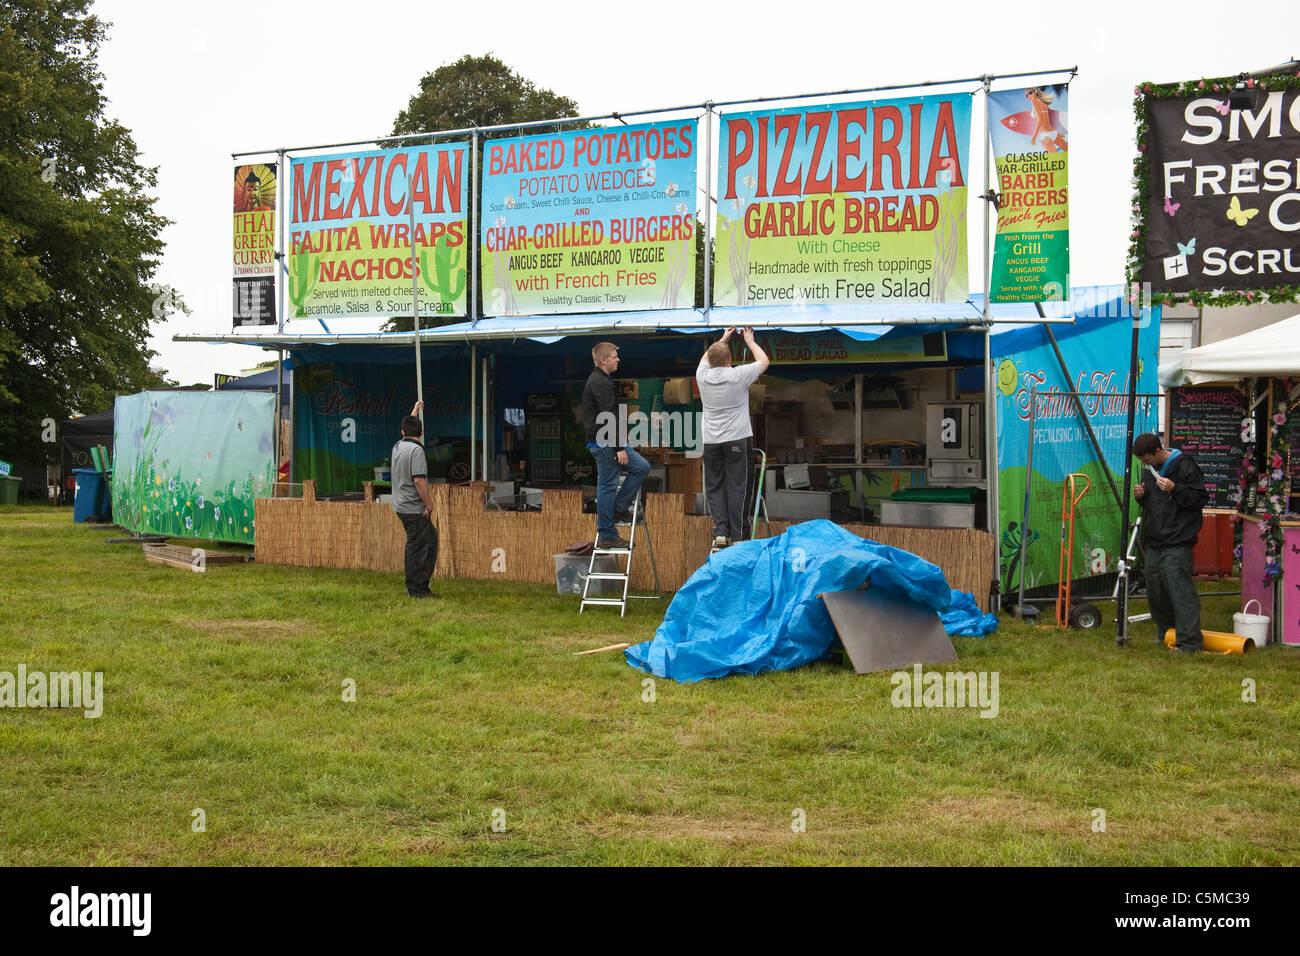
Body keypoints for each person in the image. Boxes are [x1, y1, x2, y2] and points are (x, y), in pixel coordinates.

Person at [1133, 432, 1208, 653]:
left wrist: (1175, 488)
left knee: (1180, 591)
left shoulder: (1184, 465)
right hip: (1155, 539)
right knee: (1155, 591)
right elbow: (1154, 504)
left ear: (1157, 451)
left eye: (1146, 459)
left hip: (1178, 539)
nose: (1144, 464)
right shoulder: (1149, 471)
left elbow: (1199, 499)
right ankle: (1166, 633)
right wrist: (1141, 496)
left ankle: (1189, 641)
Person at [697, 327, 769, 549]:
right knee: (738, 487)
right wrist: (749, 340)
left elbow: (705, 358)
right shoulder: (738, 375)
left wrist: (723, 338)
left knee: (714, 486)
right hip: (737, 439)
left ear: (710, 359)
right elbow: (764, 361)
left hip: (711, 441)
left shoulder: (702, 376)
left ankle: (720, 533)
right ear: (730, 358)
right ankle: (738, 535)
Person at [582, 341, 649, 550]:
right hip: (605, 443)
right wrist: (619, 446)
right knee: (607, 487)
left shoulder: (602, 380)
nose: (618, 359)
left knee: (641, 467)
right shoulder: (600, 382)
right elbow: (606, 416)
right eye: (614, 356)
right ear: (603, 360)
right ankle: (607, 533)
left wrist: (621, 436)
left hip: (607, 439)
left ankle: (618, 508)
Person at [391, 400, 438, 598]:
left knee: (428, 541)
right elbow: (419, 481)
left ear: (402, 432)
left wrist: (416, 410)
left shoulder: (399, 445)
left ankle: (419, 586)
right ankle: (416, 589)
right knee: (419, 547)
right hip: (413, 507)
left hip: (401, 505)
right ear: (422, 433)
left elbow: (409, 427)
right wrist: (429, 504)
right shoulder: (417, 451)